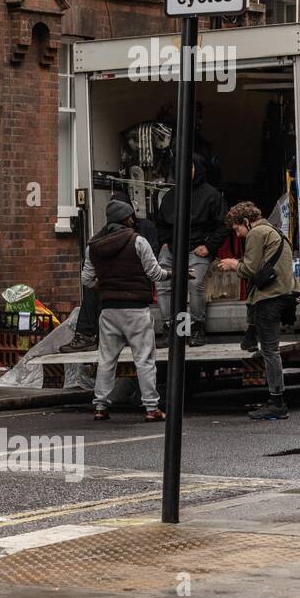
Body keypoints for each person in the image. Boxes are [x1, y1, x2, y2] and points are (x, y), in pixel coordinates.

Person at [82, 198, 170, 422]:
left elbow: (87, 279)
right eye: (131, 216)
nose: (134, 220)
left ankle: (100, 407)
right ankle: (151, 408)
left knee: (106, 360)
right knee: (144, 359)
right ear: (126, 219)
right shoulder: (138, 241)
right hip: (136, 311)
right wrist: (173, 273)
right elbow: (155, 274)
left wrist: (104, 286)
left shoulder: (93, 247)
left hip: (109, 311)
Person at [217, 201, 300, 421]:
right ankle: (251, 336)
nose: (239, 235)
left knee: (270, 352)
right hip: (284, 296)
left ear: (246, 221)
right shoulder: (275, 232)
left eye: (237, 229)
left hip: (270, 299)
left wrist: (233, 264)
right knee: (270, 350)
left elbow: (249, 269)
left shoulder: (257, 233)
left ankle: (277, 402)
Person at [60, 190, 158, 353]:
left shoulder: (146, 228)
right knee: (92, 288)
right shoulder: (107, 231)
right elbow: (97, 255)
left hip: (137, 280)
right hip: (115, 279)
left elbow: (152, 258)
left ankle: (102, 335)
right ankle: (86, 336)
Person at [154, 153, 228, 347]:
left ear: (198, 169)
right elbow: (160, 223)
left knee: (194, 284)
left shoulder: (211, 195)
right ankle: (172, 329)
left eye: (190, 167)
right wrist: (163, 242)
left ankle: (196, 327)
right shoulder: (170, 196)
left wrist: (209, 246)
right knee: (162, 284)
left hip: (198, 250)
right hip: (171, 249)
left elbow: (224, 225)